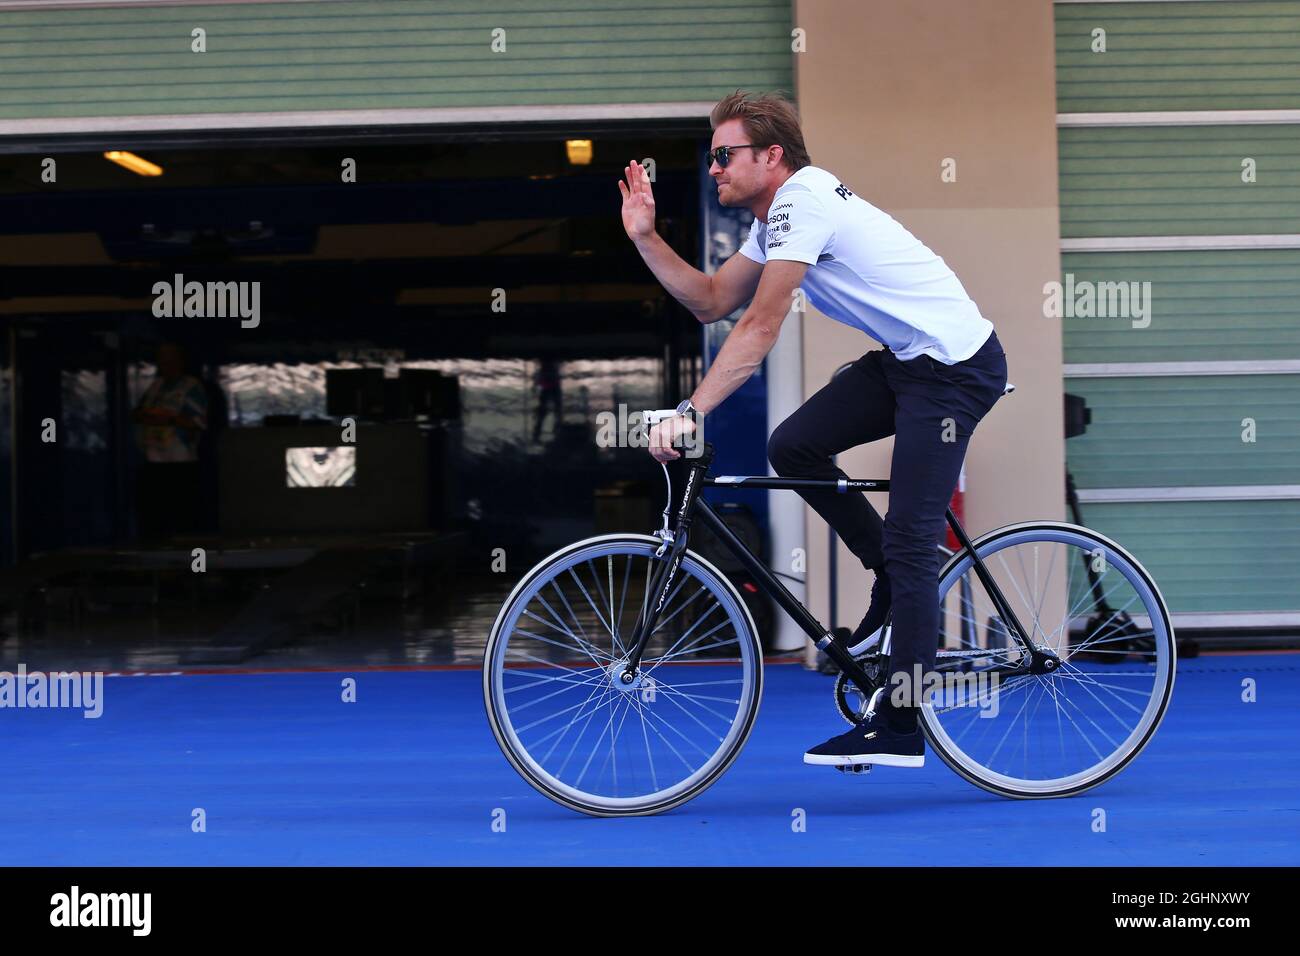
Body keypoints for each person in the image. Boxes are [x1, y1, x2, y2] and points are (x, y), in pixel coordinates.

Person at [619, 90, 1008, 769]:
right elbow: (713, 301)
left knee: (917, 538)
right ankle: (889, 577)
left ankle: (901, 721)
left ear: (772, 156)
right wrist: (646, 237)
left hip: (954, 370)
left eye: (723, 156)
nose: (713, 170)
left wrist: (690, 413)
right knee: (792, 446)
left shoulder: (803, 199)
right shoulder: (774, 222)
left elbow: (761, 325)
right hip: (908, 364)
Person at [131, 342, 209, 543]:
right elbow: (139, 413)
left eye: (170, 358)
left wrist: (169, 419)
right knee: (156, 518)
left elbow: (199, 423)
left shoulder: (190, 386)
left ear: (180, 361)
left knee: (181, 516)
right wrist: (148, 416)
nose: (165, 363)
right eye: (162, 358)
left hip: (180, 461)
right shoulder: (156, 386)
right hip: (154, 460)